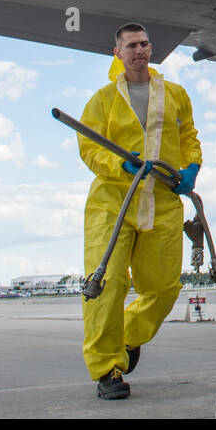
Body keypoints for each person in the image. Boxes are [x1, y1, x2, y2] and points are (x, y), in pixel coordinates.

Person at [77, 22, 202, 399]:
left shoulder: (176, 94)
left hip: (163, 201)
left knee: (164, 288)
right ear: (118, 53)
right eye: (131, 45)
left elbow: (188, 137)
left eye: (145, 44)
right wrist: (119, 165)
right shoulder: (102, 99)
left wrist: (191, 167)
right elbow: (89, 147)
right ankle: (107, 371)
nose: (139, 50)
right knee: (107, 286)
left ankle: (128, 337)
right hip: (113, 202)